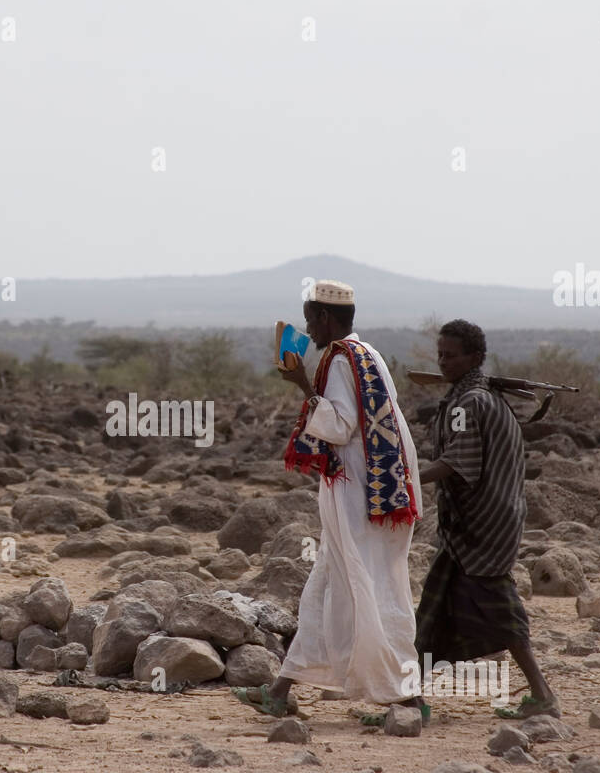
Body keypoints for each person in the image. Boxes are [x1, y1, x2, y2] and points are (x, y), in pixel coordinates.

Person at [232, 280, 426, 724]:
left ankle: (407, 699)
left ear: (324, 318)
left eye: (309, 321)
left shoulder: (340, 360)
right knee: (328, 587)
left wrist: (302, 382)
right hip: (377, 493)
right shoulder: (368, 353)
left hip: (357, 494)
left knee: (368, 589)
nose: (308, 331)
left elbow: (338, 427)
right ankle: (281, 690)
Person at [415, 319, 559, 719]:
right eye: (440, 355)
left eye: (451, 355)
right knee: (437, 606)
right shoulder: (485, 397)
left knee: (501, 611)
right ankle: (412, 696)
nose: (443, 362)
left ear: (475, 358)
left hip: (480, 528)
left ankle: (544, 695)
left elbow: (458, 462)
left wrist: (404, 478)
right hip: (486, 524)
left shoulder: (470, 403)